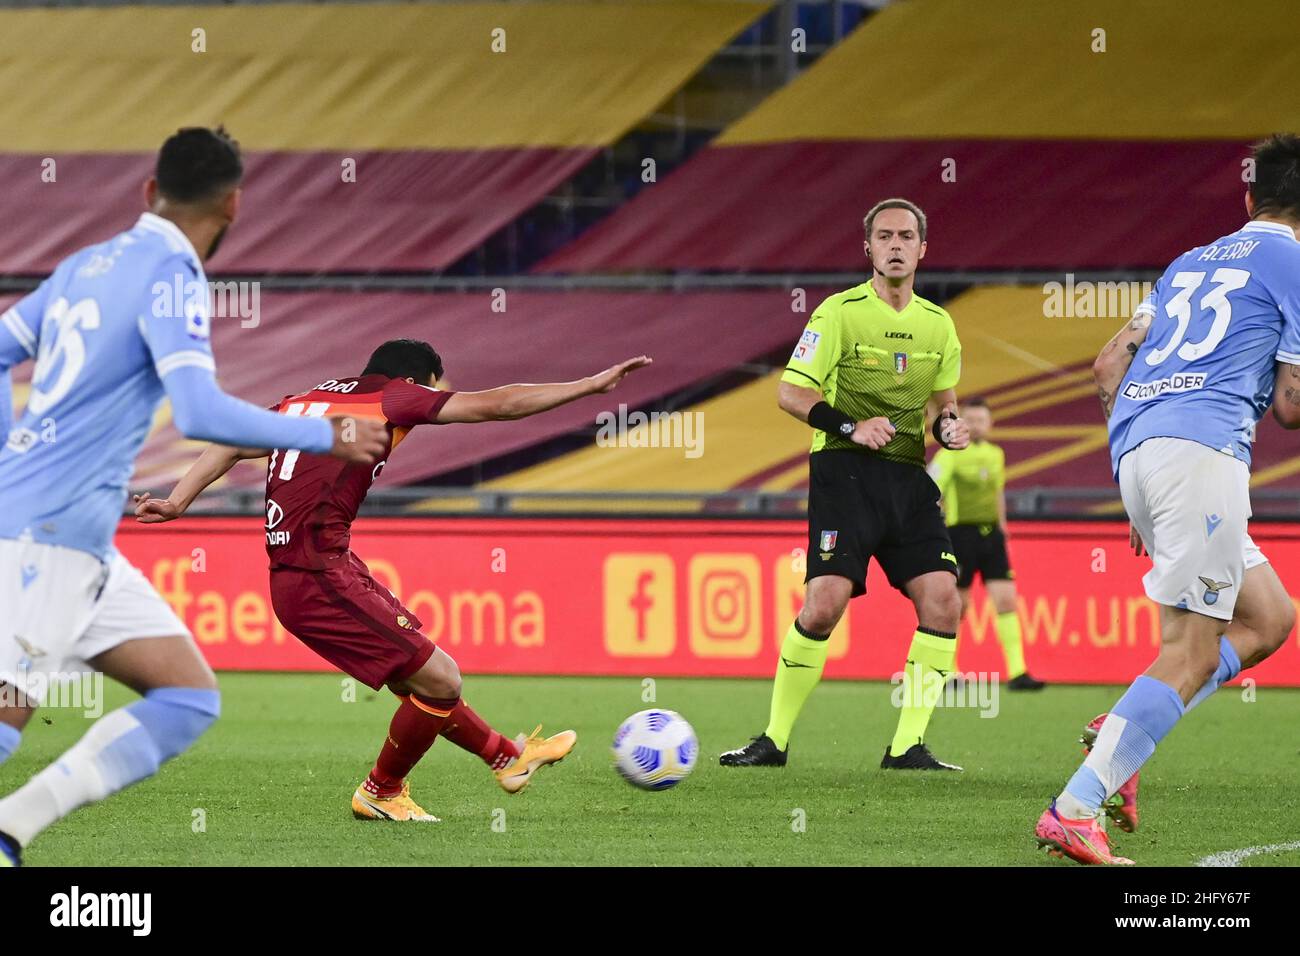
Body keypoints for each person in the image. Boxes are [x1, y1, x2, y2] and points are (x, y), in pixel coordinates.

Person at [0, 127, 388, 867]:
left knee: (186, 698)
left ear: (150, 192)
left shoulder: (86, 262)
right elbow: (199, 414)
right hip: (42, 536)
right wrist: (323, 434)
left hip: (75, 541)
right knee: (5, 718)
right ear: (235, 203)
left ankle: (10, 829)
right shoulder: (173, 274)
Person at [135, 338, 652, 821]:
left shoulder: (302, 402)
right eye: (436, 386)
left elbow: (231, 442)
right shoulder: (392, 398)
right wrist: (589, 386)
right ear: (418, 380)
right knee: (443, 678)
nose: (438, 397)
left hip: (317, 570)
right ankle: (381, 791)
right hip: (317, 576)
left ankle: (508, 759)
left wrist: (178, 501)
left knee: (422, 683)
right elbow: (500, 403)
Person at [1035, 133, 1300, 865]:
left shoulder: (1189, 262)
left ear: (1249, 200)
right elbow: (1289, 404)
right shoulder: (1293, 261)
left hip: (1142, 448)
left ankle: (1128, 727)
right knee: (1187, 652)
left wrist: (1137, 474)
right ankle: (1075, 806)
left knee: (1271, 617)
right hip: (1202, 455)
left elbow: (1105, 363)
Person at [720, 198, 971, 772]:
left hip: (908, 478)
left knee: (942, 599)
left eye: (906, 235)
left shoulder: (939, 323)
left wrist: (948, 427)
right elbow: (791, 392)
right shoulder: (838, 313)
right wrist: (852, 426)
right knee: (824, 605)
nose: (896, 245)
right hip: (844, 472)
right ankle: (773, 741)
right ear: (869, 248)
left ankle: (907, 748)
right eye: (884, 236)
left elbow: (943, 401)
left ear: (923, 248)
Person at [929, 397, 1044, 690]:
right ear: (961, 423)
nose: (977, 426)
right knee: (959, 605)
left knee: (1006, 599)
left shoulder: (996, 454)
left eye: (982, 420)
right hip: (959, 534)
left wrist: (1003, 528)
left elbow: (997, 492)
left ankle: (1018, 671)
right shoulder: (950, 454)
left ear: (990, 423)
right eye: (972, 420)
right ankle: (948, 671)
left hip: (990, 534)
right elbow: (932, 488)